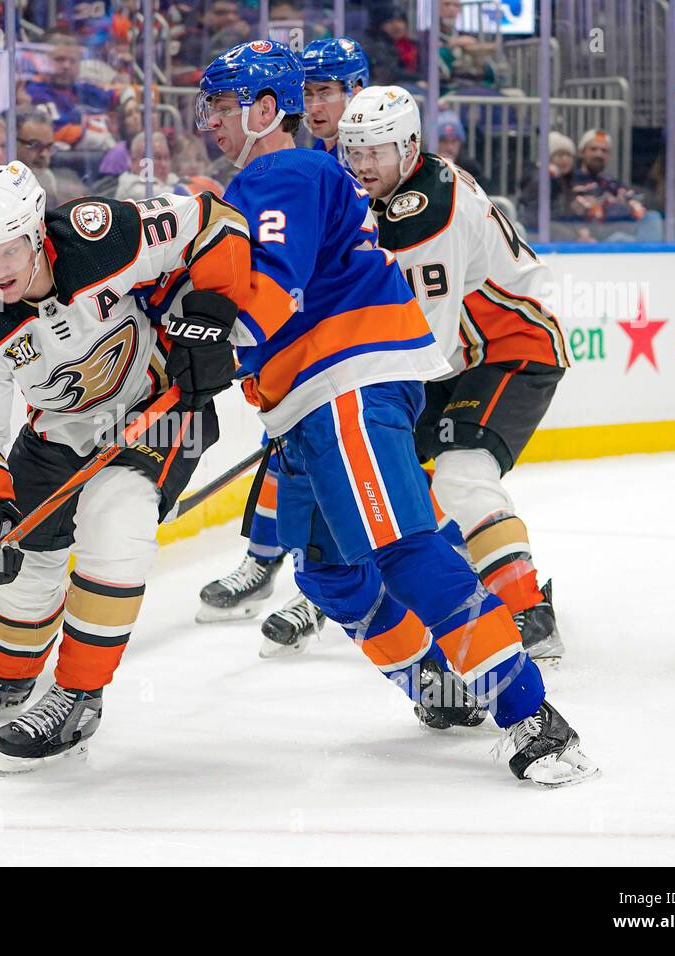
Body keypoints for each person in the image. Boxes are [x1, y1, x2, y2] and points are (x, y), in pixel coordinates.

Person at [196, 41, 596, 785]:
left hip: (346, 382)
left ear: (260, 111)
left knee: (405, 545)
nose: (211, 119)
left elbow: (272, 297)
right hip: (304, 400)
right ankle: (435, 685)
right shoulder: (270, 183)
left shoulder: (284, 172)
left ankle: (533, 717)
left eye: (222, 105)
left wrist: (198, 349)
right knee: (327, 572)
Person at [0, 161, 251, 773]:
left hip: (157, 406)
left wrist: (210, 316)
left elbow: (215, 224)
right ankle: (10, 679)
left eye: (7, 249)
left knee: (116, 519)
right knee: (19, 549)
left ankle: (78, 694)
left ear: (36, 232)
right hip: (60, 429)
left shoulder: (100, 235)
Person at [338, 85, 569, 660]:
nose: (364, 165)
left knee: (461, 473)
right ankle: (468, 573)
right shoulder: (396, 188)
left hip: (511, 348)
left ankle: (527, 610)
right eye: (355, 151)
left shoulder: (428, 216)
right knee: (402, 476)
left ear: (410, 145)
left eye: (377, 151)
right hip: (461, 356)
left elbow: (428, 344)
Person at [196, 36, 369, 652]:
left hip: (362, 348)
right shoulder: (305, 165)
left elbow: (283, 282)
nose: (318, 103)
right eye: (312, 89)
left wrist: (218, 349)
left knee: (360, 473)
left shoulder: (361, 157)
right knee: (291, 451)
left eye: (328, 90)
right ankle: (272, 561)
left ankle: (320, 586)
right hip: (313, 354)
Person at [300, 37, 369, 154]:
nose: (314, 109)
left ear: (356, 94)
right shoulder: (320, 149)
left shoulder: (369, 160)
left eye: (325, 94)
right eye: (307, 94)